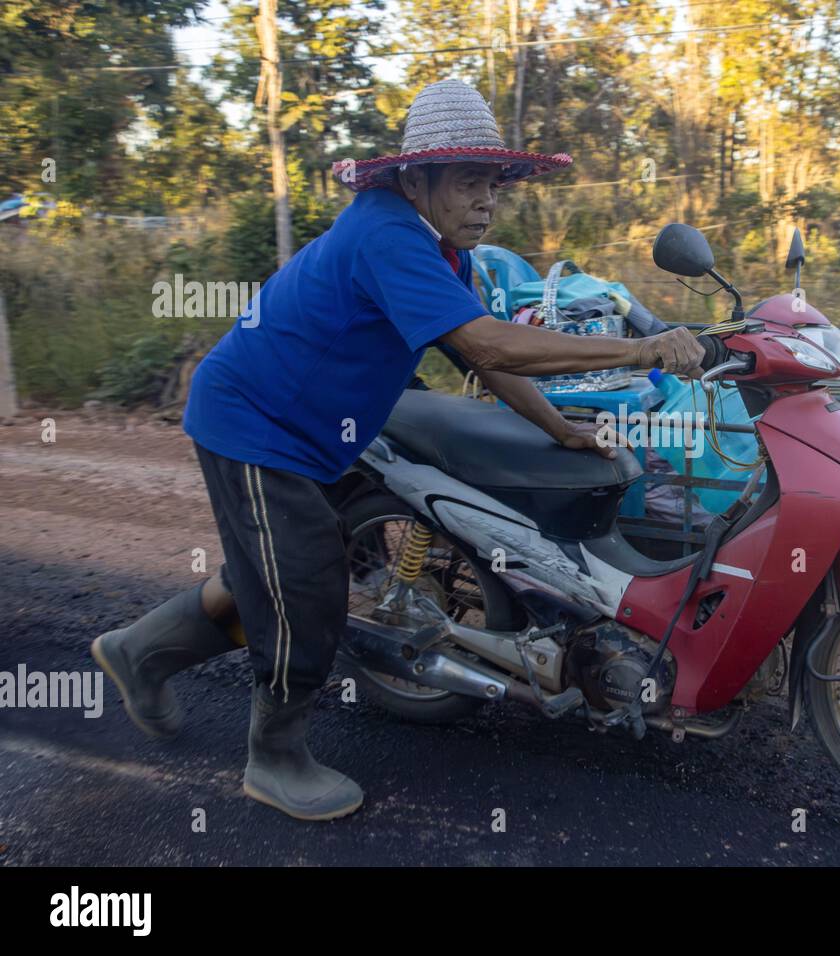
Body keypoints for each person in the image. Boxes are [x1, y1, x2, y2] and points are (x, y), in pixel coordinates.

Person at [91, 78, 704, 822]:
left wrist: (559, 429)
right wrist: (639, 351)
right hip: (254, 424)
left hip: (314, 431)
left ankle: (138, 652)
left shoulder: (445, 254)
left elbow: (482, 358)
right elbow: (487, 341)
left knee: (267, 571)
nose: (487, 200)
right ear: (417, 179)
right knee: (307, 585)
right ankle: (274, 757)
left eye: (494, 184)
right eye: (470, 181)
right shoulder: (387, 235)